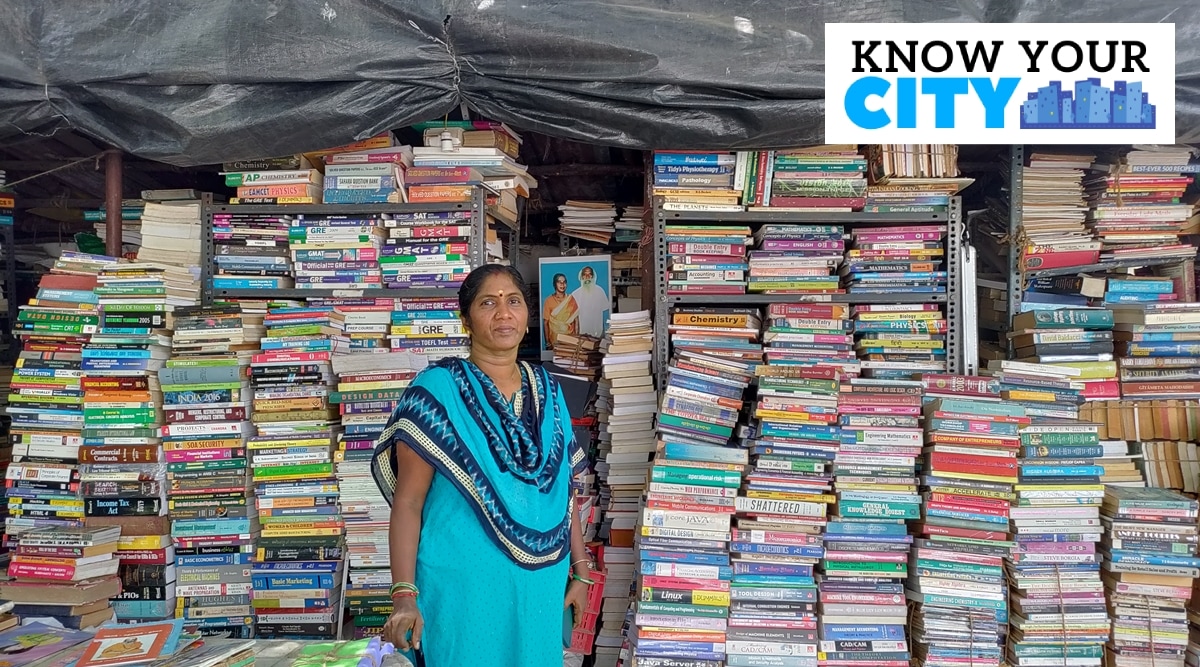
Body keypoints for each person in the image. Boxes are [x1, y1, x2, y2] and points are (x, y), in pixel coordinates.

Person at [373, 264, 593, 667]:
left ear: (528, 315)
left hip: (541, 589)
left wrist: (581, 572)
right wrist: (404, 594)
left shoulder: (548, 389)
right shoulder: (436, 392)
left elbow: (563, 491)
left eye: (513, 302)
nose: (503, 313)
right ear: (466, 319)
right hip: (461, 591)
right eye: (488, 303)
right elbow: (408, 502)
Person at [552, 265, 609, 338]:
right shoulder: (575, 294)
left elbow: (605, 314)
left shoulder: (600, 291)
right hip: (581, 335)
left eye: (589, 274)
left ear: (593, 276)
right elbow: (572, 318)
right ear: (581, 277)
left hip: (598, 334)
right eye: (585, 275)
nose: (587, 277)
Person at [541, 272, 576, 349]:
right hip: (554, 342)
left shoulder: (571, 299)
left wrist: (576, 340)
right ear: (554, 284)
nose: (562, 285)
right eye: (559, 282)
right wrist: (547, 342)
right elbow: (546, 323)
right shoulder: (548, 301)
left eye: (564, 282)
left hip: (569, 341)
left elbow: (576, 320)